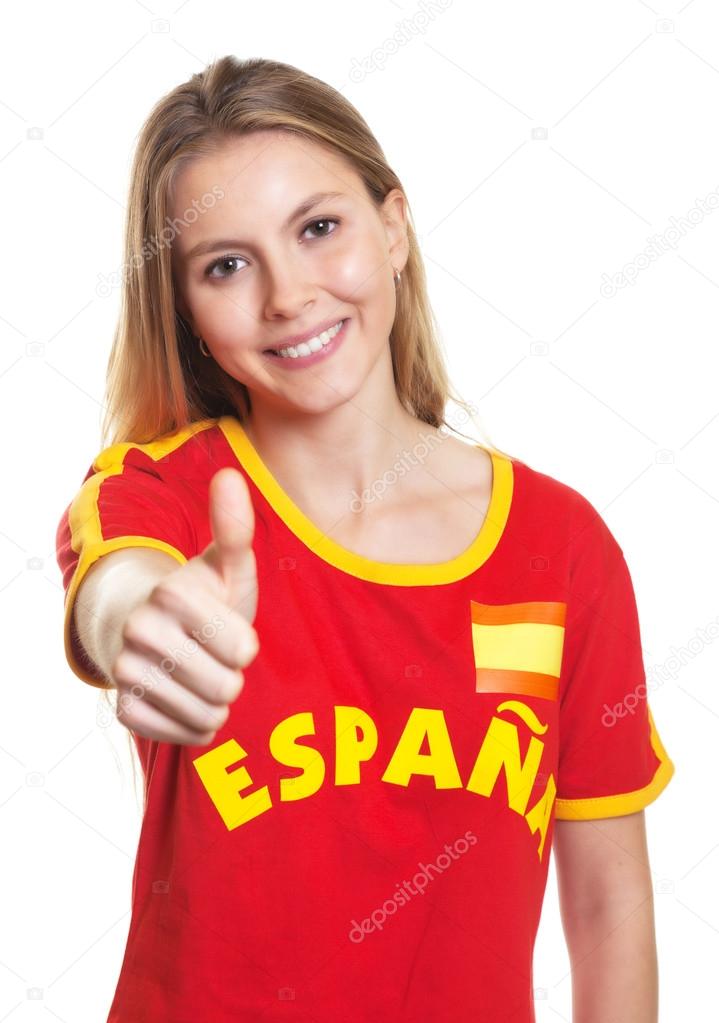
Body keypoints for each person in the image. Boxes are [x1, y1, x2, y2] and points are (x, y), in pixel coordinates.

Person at [55, 54, 675, 1023]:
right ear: (183, 307)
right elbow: (112, 586)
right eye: (225, 264)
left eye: (317, 229)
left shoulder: (560, 547)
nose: (288, 295)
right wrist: (136, 619)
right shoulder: (164, 498)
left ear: (391, 227)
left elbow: (606, 908)